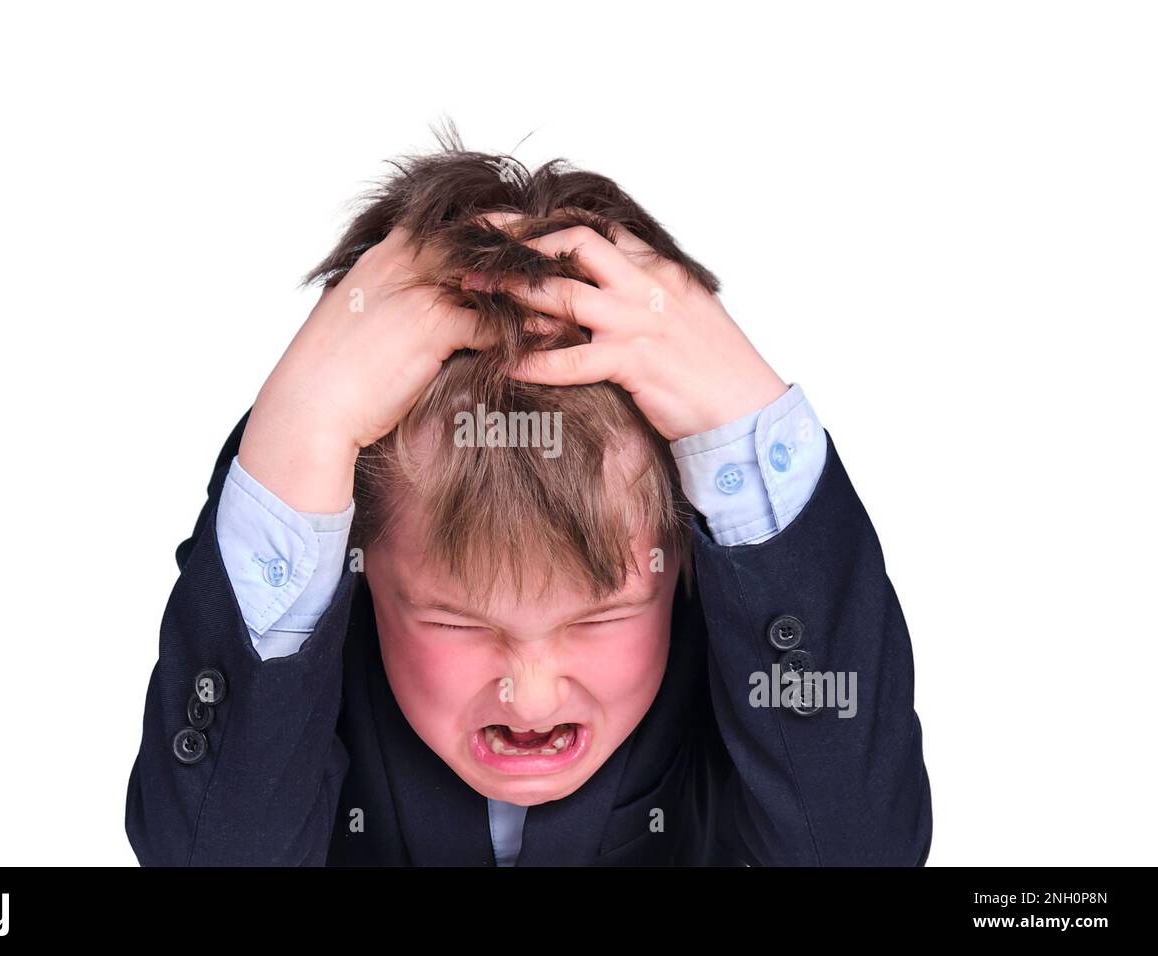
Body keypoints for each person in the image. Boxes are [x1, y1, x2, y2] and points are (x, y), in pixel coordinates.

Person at [124, 129, 932, 866]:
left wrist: (739, 421)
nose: (532, 695)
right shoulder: (327, 615)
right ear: (356, 566)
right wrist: (300, 436)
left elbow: (861, 848)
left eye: (603, 616)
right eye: (454, 621)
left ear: (684, 555)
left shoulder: (723, 656)